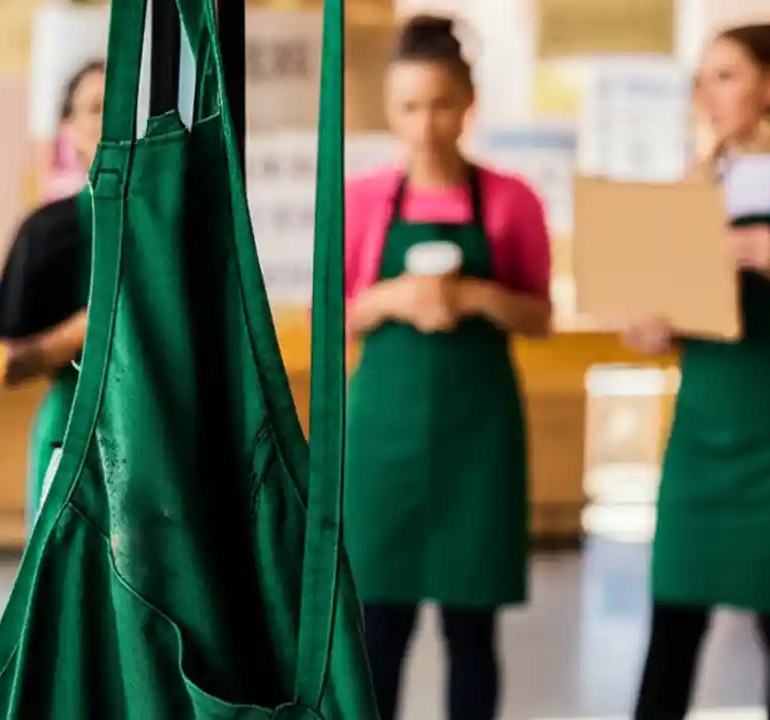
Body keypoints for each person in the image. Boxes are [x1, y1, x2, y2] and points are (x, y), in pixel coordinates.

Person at [625, 23, 770, 720]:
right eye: (702, 78)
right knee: (674, 613)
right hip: (703, 425)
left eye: (725, 76)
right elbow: (655, 312)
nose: (706, 94)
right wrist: (653, 327)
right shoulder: (696, 184)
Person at [341, 15, 552, 720]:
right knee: (378, 625)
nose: (425, 124)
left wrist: (480, 297)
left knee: (472, 627)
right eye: (408, 106)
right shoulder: (364, 199)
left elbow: (539, 316)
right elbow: (333, 317)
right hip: (383, 439)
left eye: (440, 104)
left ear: (467, 104)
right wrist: (394, 297)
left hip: (478, 435)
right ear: (389, 109)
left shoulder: (511, 200)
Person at [0, 59, 103, 529]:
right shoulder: (46, 231)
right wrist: (89, 326)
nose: (110, 119)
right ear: (69, 131)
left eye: (122, 106)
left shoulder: (178, 228)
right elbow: (13, 366)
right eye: (94, 108)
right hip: (71, 434)